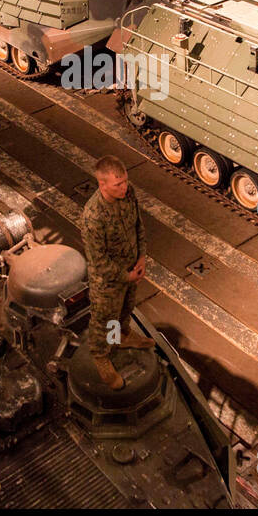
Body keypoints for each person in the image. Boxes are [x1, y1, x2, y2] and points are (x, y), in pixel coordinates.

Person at [79, 155, 152, 390]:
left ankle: (122, 336)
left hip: (131, 269)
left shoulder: (128, 194)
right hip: (108, 282)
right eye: (117, 184)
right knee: (105, 320)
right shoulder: (93, 216)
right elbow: (98, 261)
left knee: (125, 309)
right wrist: (126, 276)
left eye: (125, 182)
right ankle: (103, 355)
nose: (124, 187)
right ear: (102, 184)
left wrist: (141, 257)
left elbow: (138, 225)